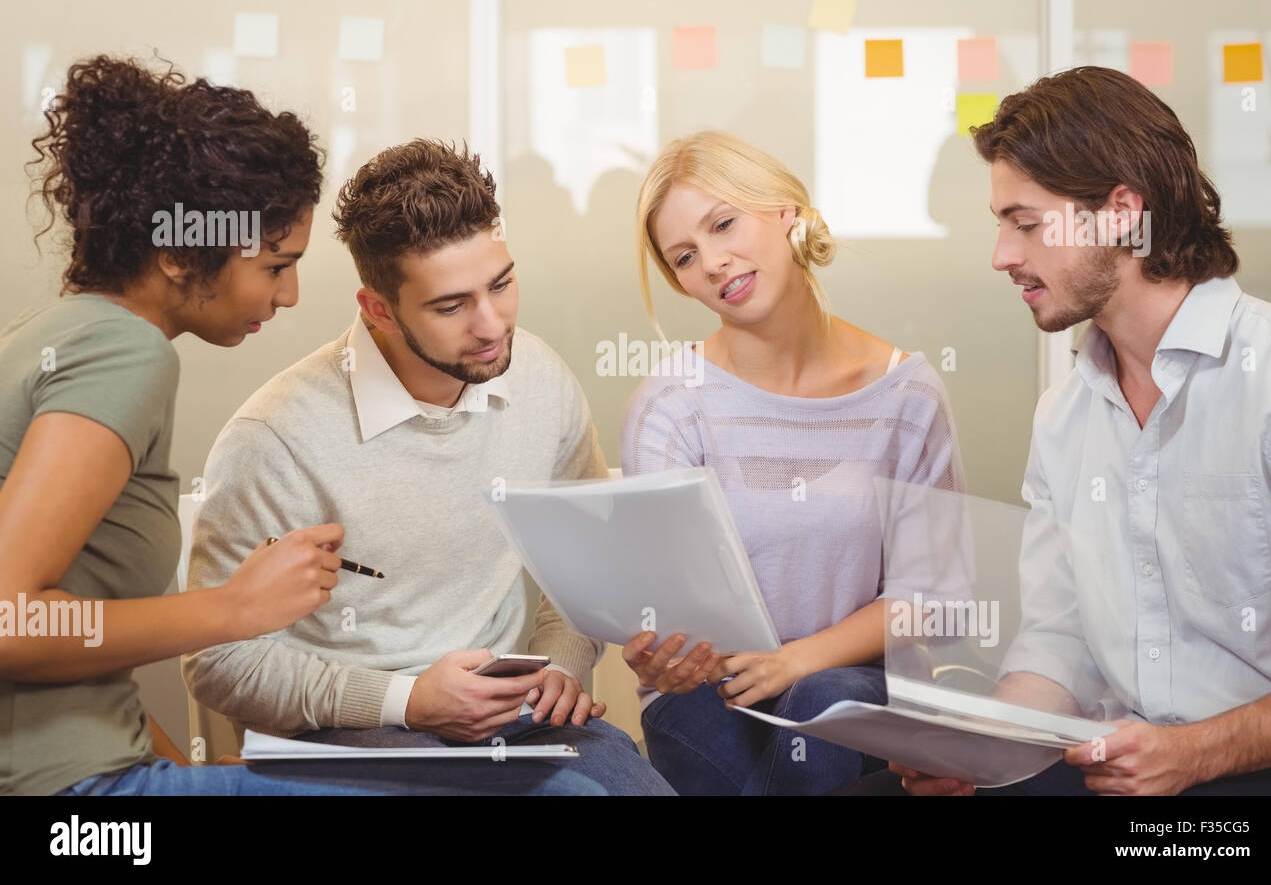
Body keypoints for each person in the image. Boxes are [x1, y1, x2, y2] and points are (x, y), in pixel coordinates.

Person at [180, 138, 674, 796]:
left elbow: (584, 568)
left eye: (501, 284)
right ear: (378, 309)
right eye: (451, 306)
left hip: (513, 718)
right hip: (346, 736)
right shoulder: (276, 437)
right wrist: (405, 700)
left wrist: (560, 668)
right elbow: (218, 664)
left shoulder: (540, 379)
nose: (493, 324)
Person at [879, 66, 1271, 796]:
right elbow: (1059, 645)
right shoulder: (1065, 416)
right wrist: (982, 754)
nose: (1002, 255)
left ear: (1120, 213)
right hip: (1116, 772)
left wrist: (1196, 753)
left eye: (1027, 223)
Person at [0, 54, 412, 797]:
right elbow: (7, 621)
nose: (288, 295)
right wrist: (234, 608)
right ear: (179, 252)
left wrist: (183, 776)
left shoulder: (51, 330)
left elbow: (81, 686)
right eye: (276, 264)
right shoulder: (124, 350)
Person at [618, 130, 965, 794]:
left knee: (821, 697)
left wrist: (794, 662)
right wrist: (661, 651)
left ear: (787, 213)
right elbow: (665, 599)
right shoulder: (670, 405)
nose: (713, 263)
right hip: (708, 697)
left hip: (855, 685)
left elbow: (936, 599)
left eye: (724, 225)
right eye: (685, 257)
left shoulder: (907, 393)